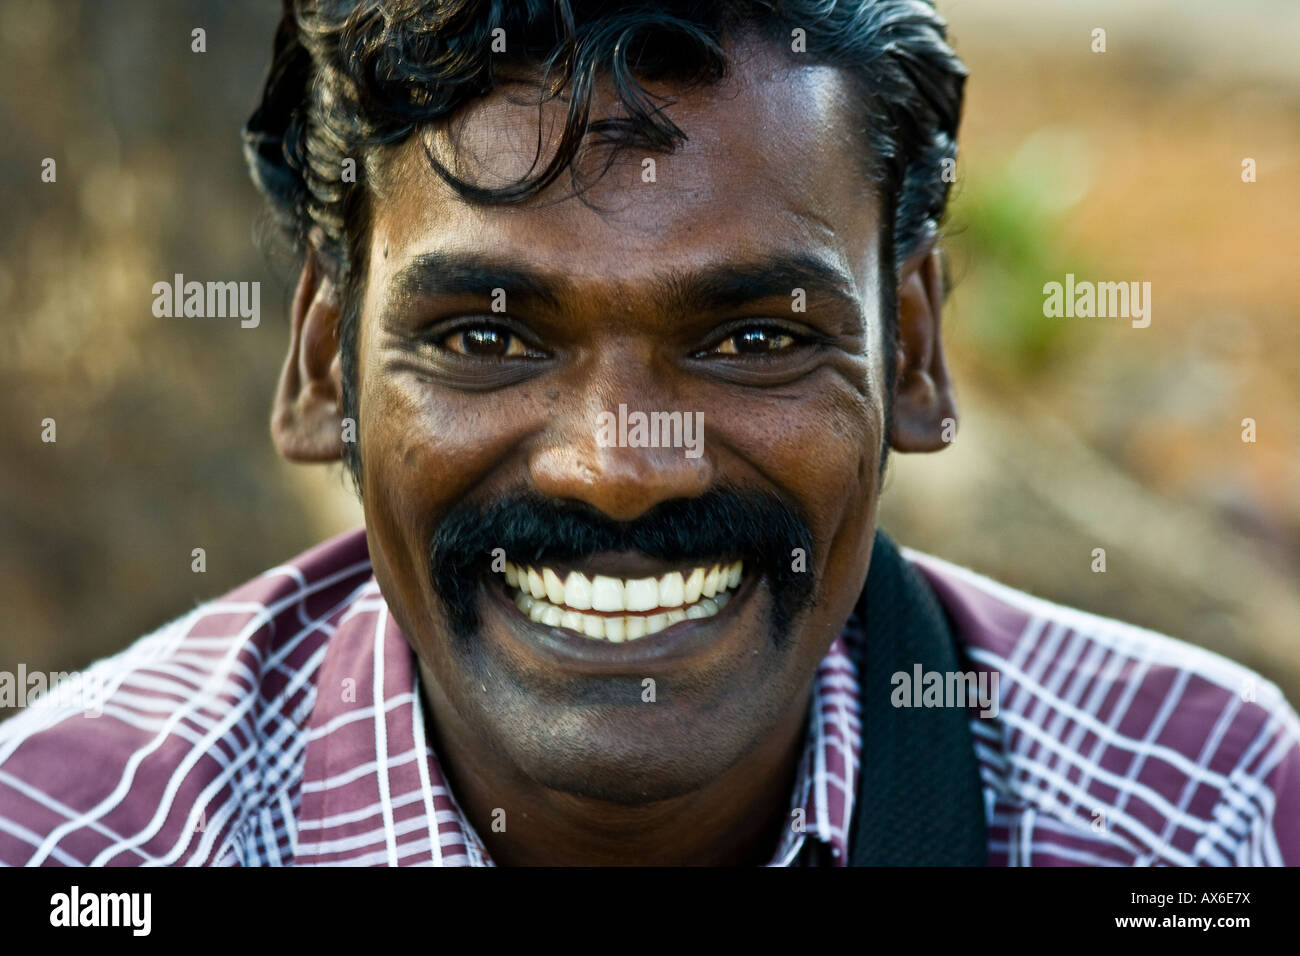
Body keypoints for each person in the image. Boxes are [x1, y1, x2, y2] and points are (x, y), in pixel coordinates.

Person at [1, 0, 1296, 867]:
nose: (618, 467)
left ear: (912, 355)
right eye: (487, 339)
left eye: (750, 339)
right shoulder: (70, 841)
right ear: (324, 370)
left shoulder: (1197, 818)